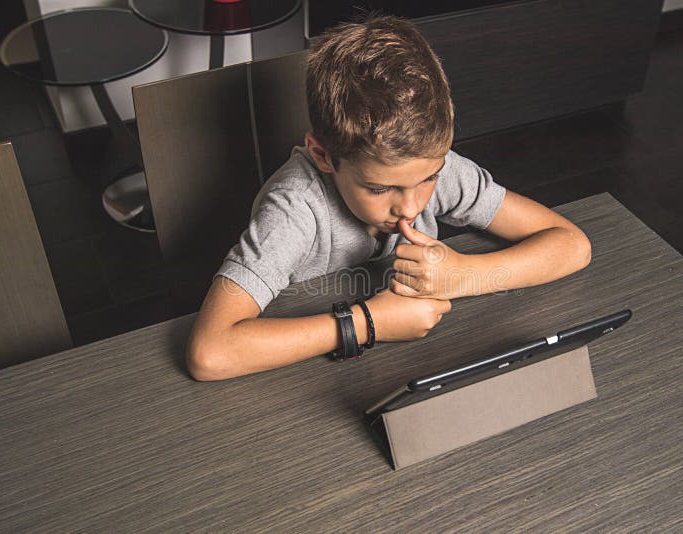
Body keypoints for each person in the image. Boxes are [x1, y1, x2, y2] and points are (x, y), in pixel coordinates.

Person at [186, 15, 591, 381]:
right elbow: (210, 353)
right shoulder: (295, 209)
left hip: (394, 371)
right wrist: (368, 321)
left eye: (428, 179)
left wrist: (461, 276)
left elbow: (572, 244)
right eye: (380, 189)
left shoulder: (436, 165)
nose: (411, 207)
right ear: (323, 155)